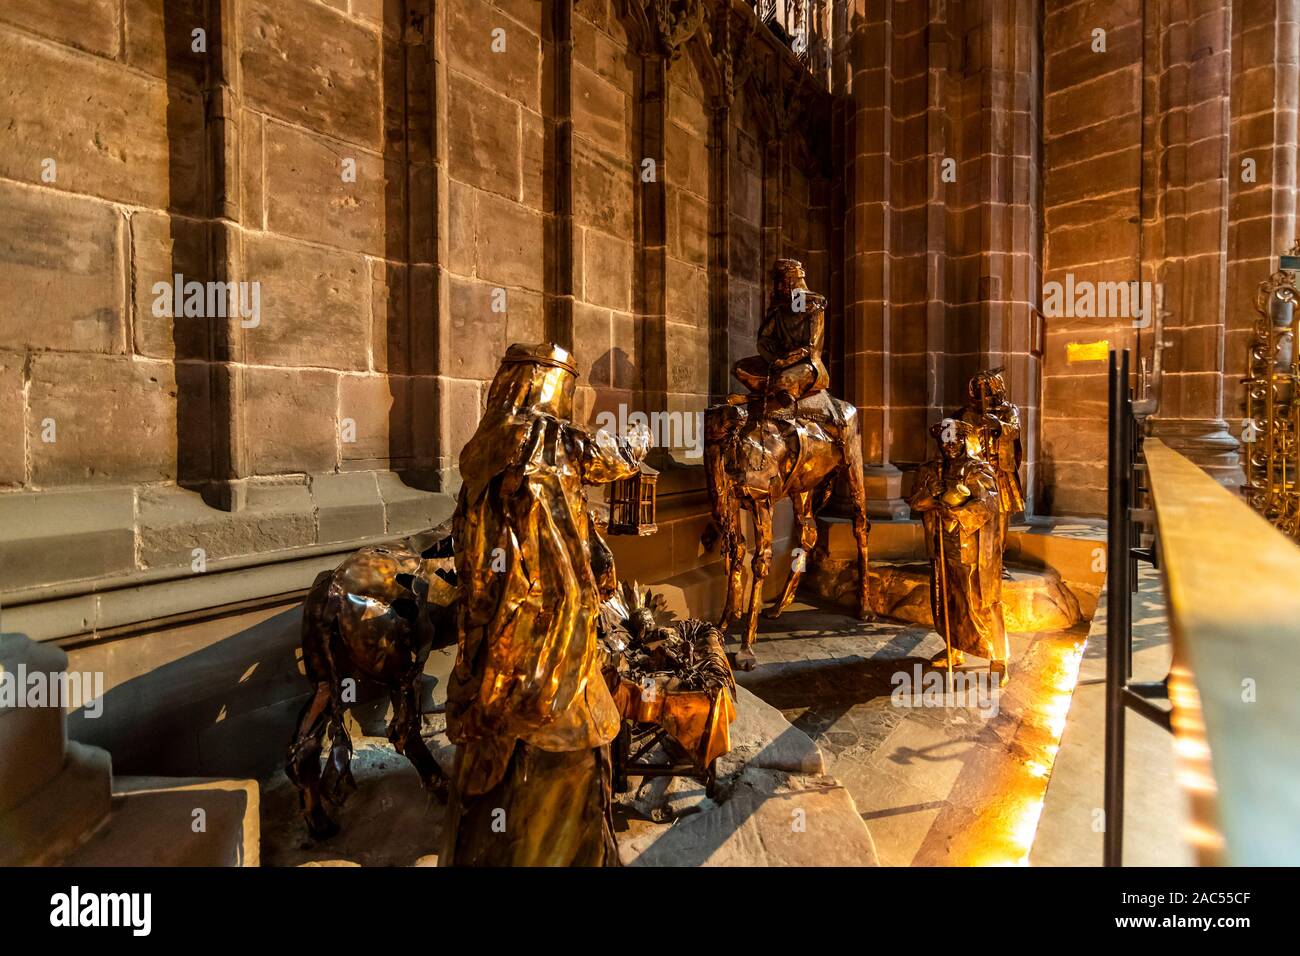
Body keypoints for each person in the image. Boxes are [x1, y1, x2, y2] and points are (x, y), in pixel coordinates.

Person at [441, 342, 649, 866]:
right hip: (555, 658)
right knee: (559, 783)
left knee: (491, 779)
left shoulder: (485, 450)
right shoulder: (544, 439)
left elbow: (481, 575)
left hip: (497, 649)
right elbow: (613, 456)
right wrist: (643, 435)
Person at [908, 419, 1009, 684]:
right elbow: (915, 502)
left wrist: (954, 511)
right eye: (944, 440)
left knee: (978, 600)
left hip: (971, 548)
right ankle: (954, 649)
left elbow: (988, 503)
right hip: (941, 545)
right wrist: (931, 495)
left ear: (965, 441)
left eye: (954, 440)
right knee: (946, 599)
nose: (949, 445)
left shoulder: (978, 469)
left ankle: (998, 657)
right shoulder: (931, 470)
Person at [732, 258, 830, 407]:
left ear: (793, 280)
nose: (779, 287)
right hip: (778, 362)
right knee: (740, 368)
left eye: (783, 282)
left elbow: (811, 347)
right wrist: (772, 355)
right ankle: (778, 393)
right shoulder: (780, 308)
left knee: (784, 380)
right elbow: (764, 338)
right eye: (778, 282)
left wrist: (786, 360)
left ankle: (755, 398)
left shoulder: (813, 304)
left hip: (807, 364)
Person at [958, 368, 1025, 554]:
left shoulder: (1009, 410)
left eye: (988, 390)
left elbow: (1014, 430)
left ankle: (998, 556)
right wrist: (979, 425)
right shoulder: (967, 414)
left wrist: (997, 425)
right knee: (979, 511)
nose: (984, 395)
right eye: (980, 391)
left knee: (1001, 515)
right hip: (979, 471)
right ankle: (979, 554)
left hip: (1001, 470)